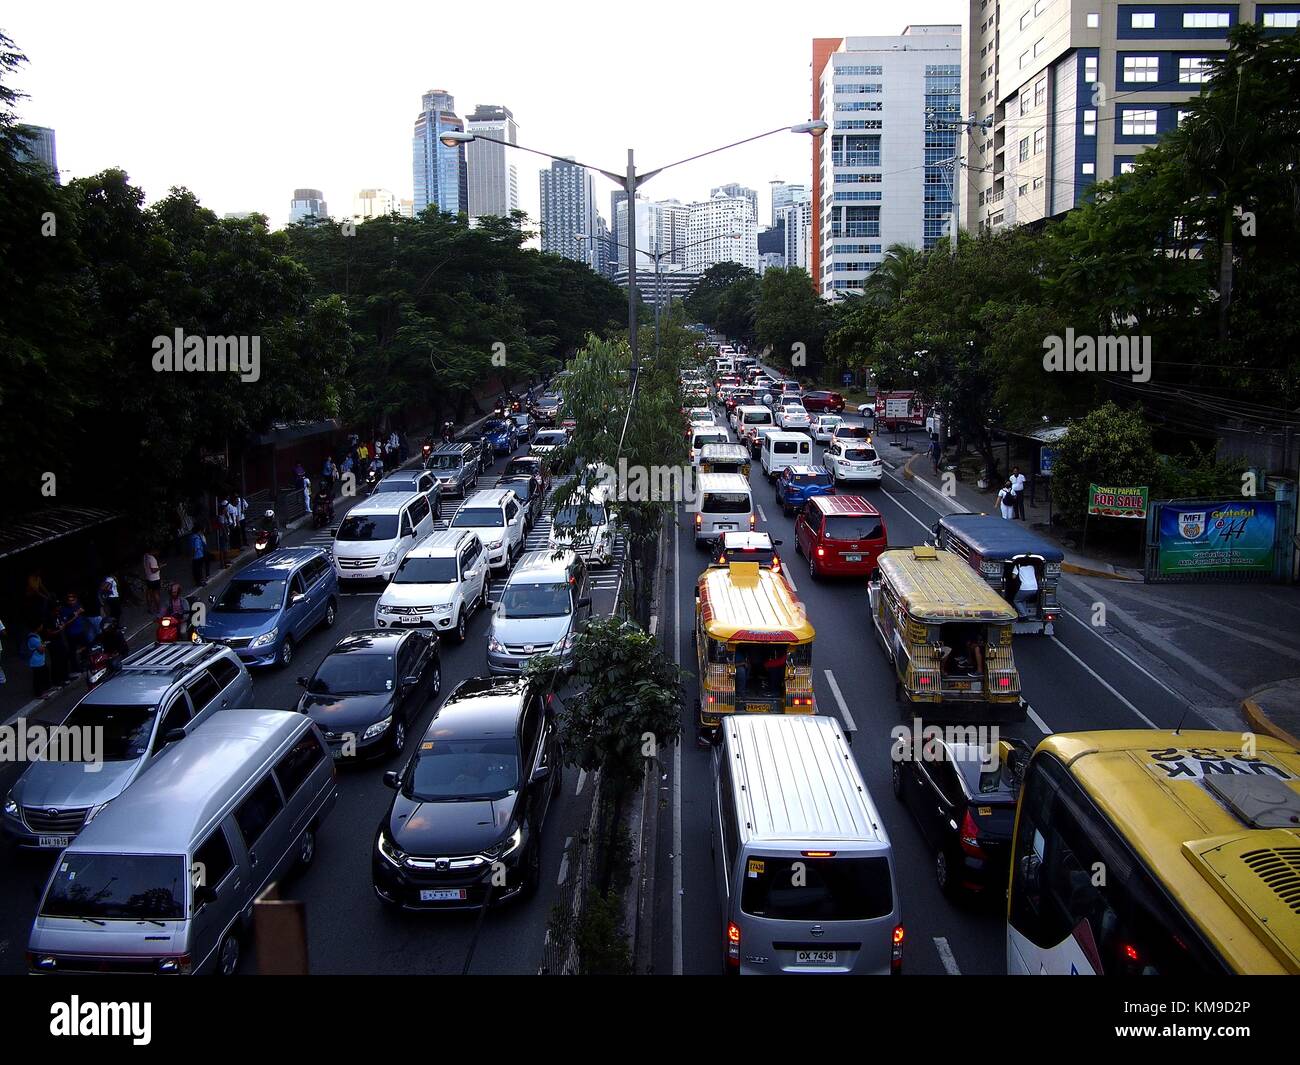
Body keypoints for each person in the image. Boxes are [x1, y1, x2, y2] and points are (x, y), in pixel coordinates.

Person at [26, 627, 51, 697]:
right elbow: (41, 650)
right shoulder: (33, 638)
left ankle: (44, 689)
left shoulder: (36, 636)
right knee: (38, 678)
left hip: (40, 660)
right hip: (36, 661)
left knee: (43, 674)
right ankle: (39, 694)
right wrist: (44, 645)